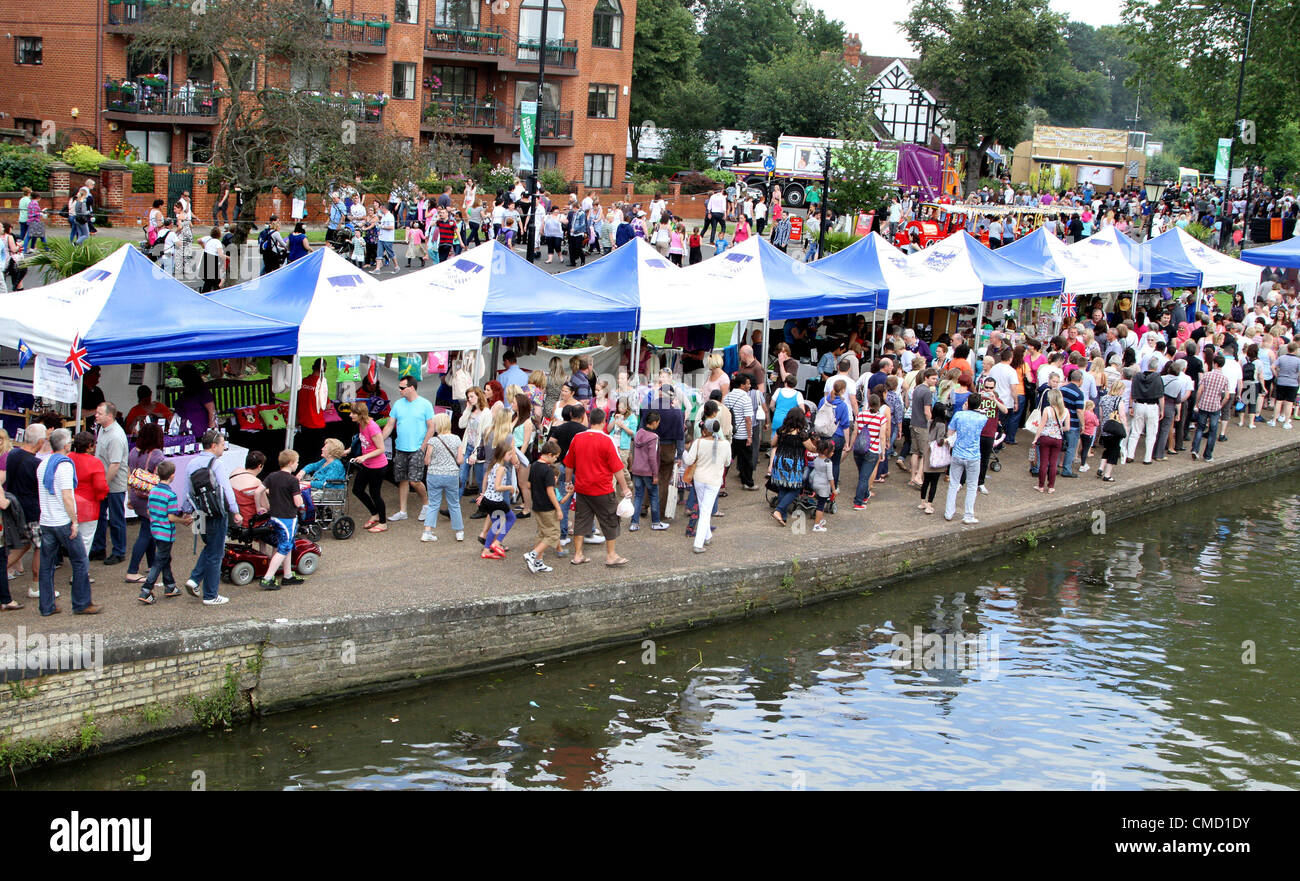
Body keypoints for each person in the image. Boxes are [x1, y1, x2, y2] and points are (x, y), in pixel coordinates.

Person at [36, 429, 100, 615]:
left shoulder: (43, 464)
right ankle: (81, 603)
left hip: (46, 520)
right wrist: (74, 520)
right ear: (65, 445)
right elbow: (67, 497)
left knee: (46, 565)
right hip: (62, 520)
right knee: (80, 561)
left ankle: (46, 606)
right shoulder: (64, 465)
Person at [564, 409, 633, 566]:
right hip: (602, 489)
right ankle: (611, 555)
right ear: (603, 422)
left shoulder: (577, 438)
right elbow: (617, 469)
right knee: (610, 520)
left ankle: (578, 554)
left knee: (580, 521)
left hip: (582, 489)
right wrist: (625, 488)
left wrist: (569, 483)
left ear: (589, 421)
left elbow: (569, 464)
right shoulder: (608, 441)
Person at [181, 429, 242, 606]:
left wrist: (186, 510)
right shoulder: (217, 464)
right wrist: (235, 511)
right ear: (214, 446)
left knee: (210, 546)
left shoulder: (191, 463)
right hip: (216, 512)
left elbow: (188, 491)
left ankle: (195, 579)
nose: (223, 448)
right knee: (216, 552)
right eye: (222, 444)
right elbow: (226, 490)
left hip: (199, 512)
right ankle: (210, 594)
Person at [382, 377, 435, 523]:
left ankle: (426, 504)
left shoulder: (425, 404)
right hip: (400, 448)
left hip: (417, 448)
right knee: (402, 479)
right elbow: (389, 425)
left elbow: (431, 427)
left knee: (415, 480)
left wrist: (423, 447)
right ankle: (402, 510)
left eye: (402, 387)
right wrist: (379, 440)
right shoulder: (398, 404)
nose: (399, 390)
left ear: (411, 388)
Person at [137, 460, 189, 604]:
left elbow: (149, 510)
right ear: (172, 476)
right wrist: (183, 521)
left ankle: (170, 585)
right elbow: (171, 516)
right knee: (160, 560)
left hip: (155, 529)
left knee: (165, 558)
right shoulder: (170, 495)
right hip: (166, 532)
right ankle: (146, 589)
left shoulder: (153, 491)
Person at [123, 423, 166, 585]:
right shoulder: (157, 456)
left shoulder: (133, 452)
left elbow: (130, 476)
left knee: (147, 531)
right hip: (150, 499)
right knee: (146, 533)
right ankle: (132, 570)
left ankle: (151, 564)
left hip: (135, 495)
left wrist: (129, 497)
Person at [682, 416, 731, 552]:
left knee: (704, 508)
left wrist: (683, 452)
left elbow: (689, 460)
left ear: (705, 430)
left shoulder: (698, 442)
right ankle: (698, 543)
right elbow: (727, 463)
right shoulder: (726, 444)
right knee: (705, 510)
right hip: (714, 481)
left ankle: (707, 536)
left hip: (699, 479)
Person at [259, 450, 306, 590]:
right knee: (284, 547)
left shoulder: (272, 476)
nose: (297, 464)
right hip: (287, 518)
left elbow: (258, 491)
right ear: (291, 463)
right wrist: (303, 503)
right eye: (297, 462)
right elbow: (298, 502)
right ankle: (267, 578)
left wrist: (258, 506)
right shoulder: (292, 480)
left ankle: (287, 575)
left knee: (287, 544)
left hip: (274, 516)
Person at [87, 403, 128, 565]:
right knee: (99, 516)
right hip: (104, 481)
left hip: (114, 484)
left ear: (109, 416)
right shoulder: (102, 430)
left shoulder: (115, 436)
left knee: (116, 518)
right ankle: (98, 548)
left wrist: (103, 483)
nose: (96, 416)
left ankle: (119, 551)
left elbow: (115, 464)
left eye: (99, 413)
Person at [421, 412, 464, 543]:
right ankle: (459, 532)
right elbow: (460, 460)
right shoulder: (457, 439)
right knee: (454, 504)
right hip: (451, 475)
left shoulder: (433, 441)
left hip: (434, 475)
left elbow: (427, 461)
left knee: (433, 503)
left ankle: (427, 532)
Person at [944, 394, 985, 524]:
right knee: (972, 485)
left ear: (967, 403)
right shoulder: (982, 418)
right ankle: (968, 515)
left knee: (953, 483)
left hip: (957, 453)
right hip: (973, 456)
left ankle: (949, 512)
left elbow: (950, 433)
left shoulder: (958, 415)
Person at [349, 401, 389, 533]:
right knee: (357, 489)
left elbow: (381, 449)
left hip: (377, 466)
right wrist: (349, 450)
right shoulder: (361, 424)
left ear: (361, 414)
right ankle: (374, 513)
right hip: (367, 465)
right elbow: (362, 441)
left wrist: (364, 457)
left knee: (375, 494)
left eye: (353, 413)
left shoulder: (372, 427)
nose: (350, 415)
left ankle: (383, 523)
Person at [69, 432, 108, 563]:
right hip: (88, 506)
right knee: (85, 540)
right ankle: (79, 573)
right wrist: (101, 496)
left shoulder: (69, 457)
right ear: (90, 446)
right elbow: (100, 486)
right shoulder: (95, 462)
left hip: (70, 502)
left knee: (73, 538)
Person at [477, 440, 519, 559]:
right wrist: (510, 487)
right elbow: (497, 487)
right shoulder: (501, 468)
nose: (511, 457)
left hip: (488, 499)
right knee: (511, 518)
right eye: (509, 454)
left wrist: (483, 493)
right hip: (496, 501)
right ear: (502, 454)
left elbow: (485, 480)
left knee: (496, 523)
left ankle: (486, 549)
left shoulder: (492, 464)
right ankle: (497, 542)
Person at [629, 411, 669, 532]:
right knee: (654, 496)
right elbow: (652, 457)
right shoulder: (654, 438)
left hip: (637, 469)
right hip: (648, 471)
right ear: (655, 422)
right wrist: (655, 474)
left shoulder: (638, 433)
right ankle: (656, 522)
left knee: (638, 496)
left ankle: (634, 523)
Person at [1191, 354, 1230, 462]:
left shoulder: (1207, 375)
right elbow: (1227, 396)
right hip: (1215, 407)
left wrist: (1197, 403)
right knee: (1213, 431)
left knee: (1200, 428)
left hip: (1204, 404)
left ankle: (1195, 449)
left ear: (1215, 364)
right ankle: (1208, 455)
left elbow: (1200, 390)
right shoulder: (1224, 379)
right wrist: (1220, 405)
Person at [722, 373, 757, 491]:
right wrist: (749, 436)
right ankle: (748, 482)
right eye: (748, 383)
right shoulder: (746, 398)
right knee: (747, 460)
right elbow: (748, 419)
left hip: (730, 434)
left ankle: (720, 481)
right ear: (742, 385)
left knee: (727, 460)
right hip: (742, 435)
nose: (750, 385)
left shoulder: (727, 397)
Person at [1034, 389, 1068, 493]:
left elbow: (1041, 425)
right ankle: (1051, 486)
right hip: (1057, 439)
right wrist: (1058, 429)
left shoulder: (1047, 409)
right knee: (1053, 463)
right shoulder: (1065, 411)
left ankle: (1041, 485)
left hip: (1046, 437)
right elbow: (1067, 427)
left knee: (1044, 462)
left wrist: (1036, 438)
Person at [174, 364, 216, 434]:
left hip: (200, 431)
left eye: (183, 378)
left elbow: (211, 411)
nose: (182, 381)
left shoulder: (202, 390)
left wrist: (211, 430)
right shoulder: (187, 391)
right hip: (187, 430)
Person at [807, 439, 836, 532]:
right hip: (823, 486)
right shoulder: (828, 462)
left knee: (819, 501)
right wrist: (834, 489)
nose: (833, 452)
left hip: (815, 483)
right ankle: (817, 525)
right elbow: (830, 477)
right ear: (826, 451)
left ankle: (820, 519)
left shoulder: (816, 459)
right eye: (832, 451)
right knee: (821, 505)